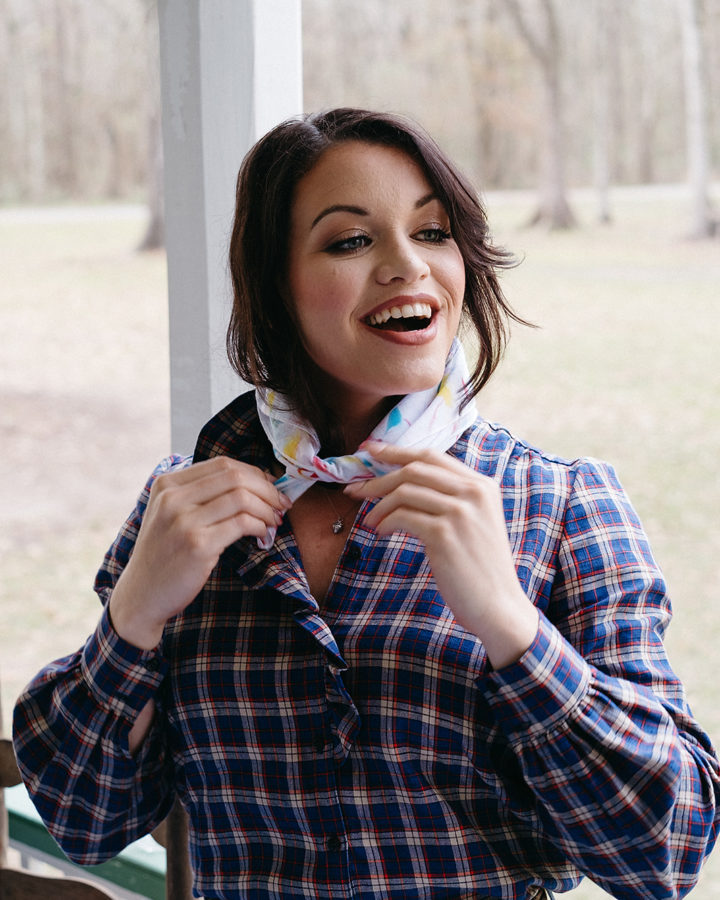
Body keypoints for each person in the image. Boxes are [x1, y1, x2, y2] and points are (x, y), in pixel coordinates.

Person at [12, 108, 720, 900]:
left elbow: (665, 851)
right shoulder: (184, 509)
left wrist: (512, 629)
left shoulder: (561, 504)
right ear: (276, 286)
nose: (407, 267)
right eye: (351, 241)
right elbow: (82, 816)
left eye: (434, 232)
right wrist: (133, 616)